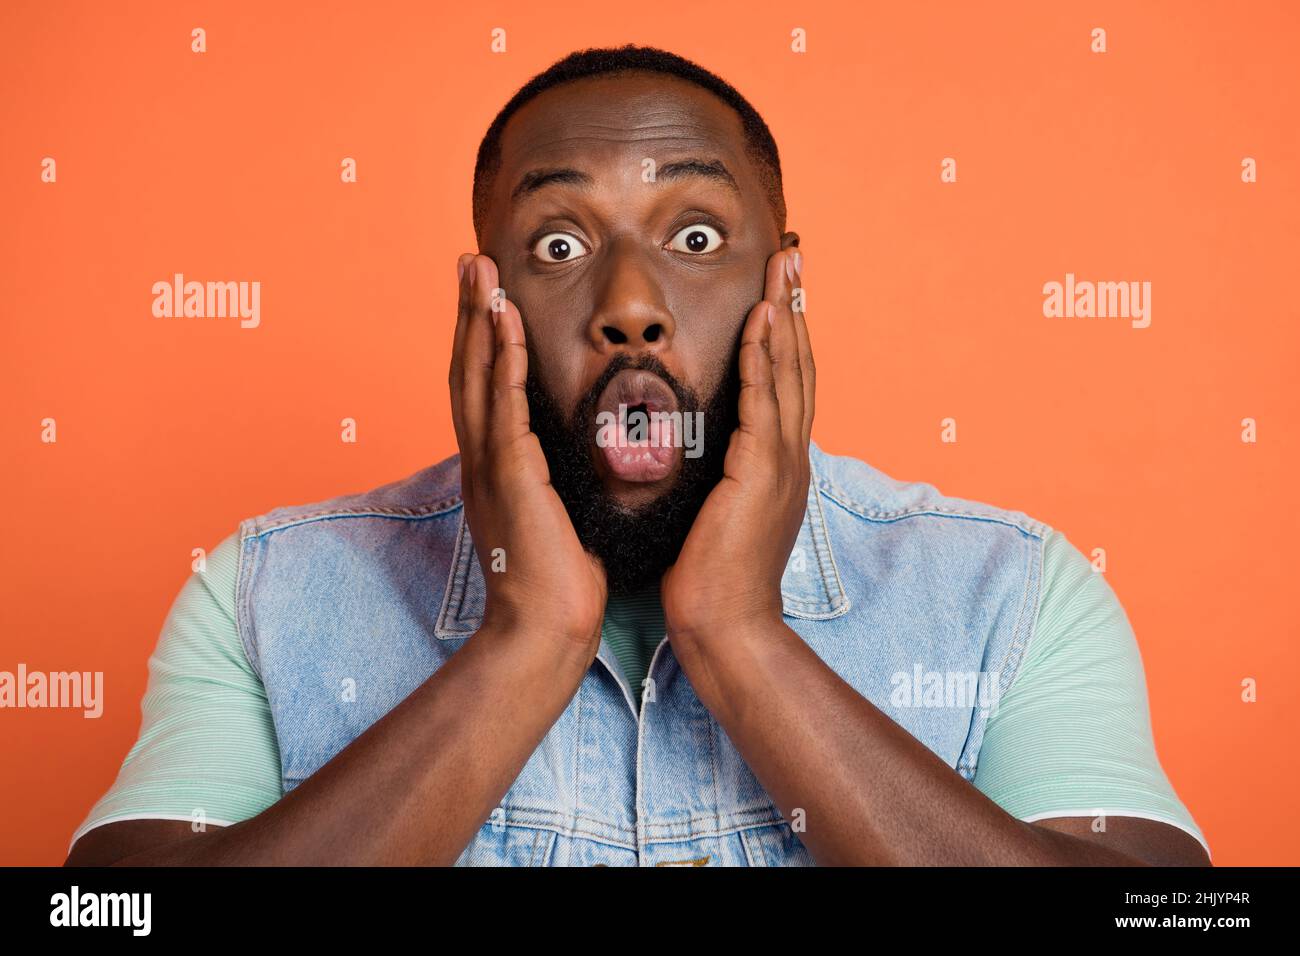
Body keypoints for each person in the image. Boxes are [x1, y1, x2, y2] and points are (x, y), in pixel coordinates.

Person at [66, 44, 1208, 867]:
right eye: (558, 243)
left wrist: (742, 637)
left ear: (786, 285)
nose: (629, 308)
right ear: (486, 300)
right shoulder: (266, 594)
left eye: (696, 238)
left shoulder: (1010, 596)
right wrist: (527, 640)